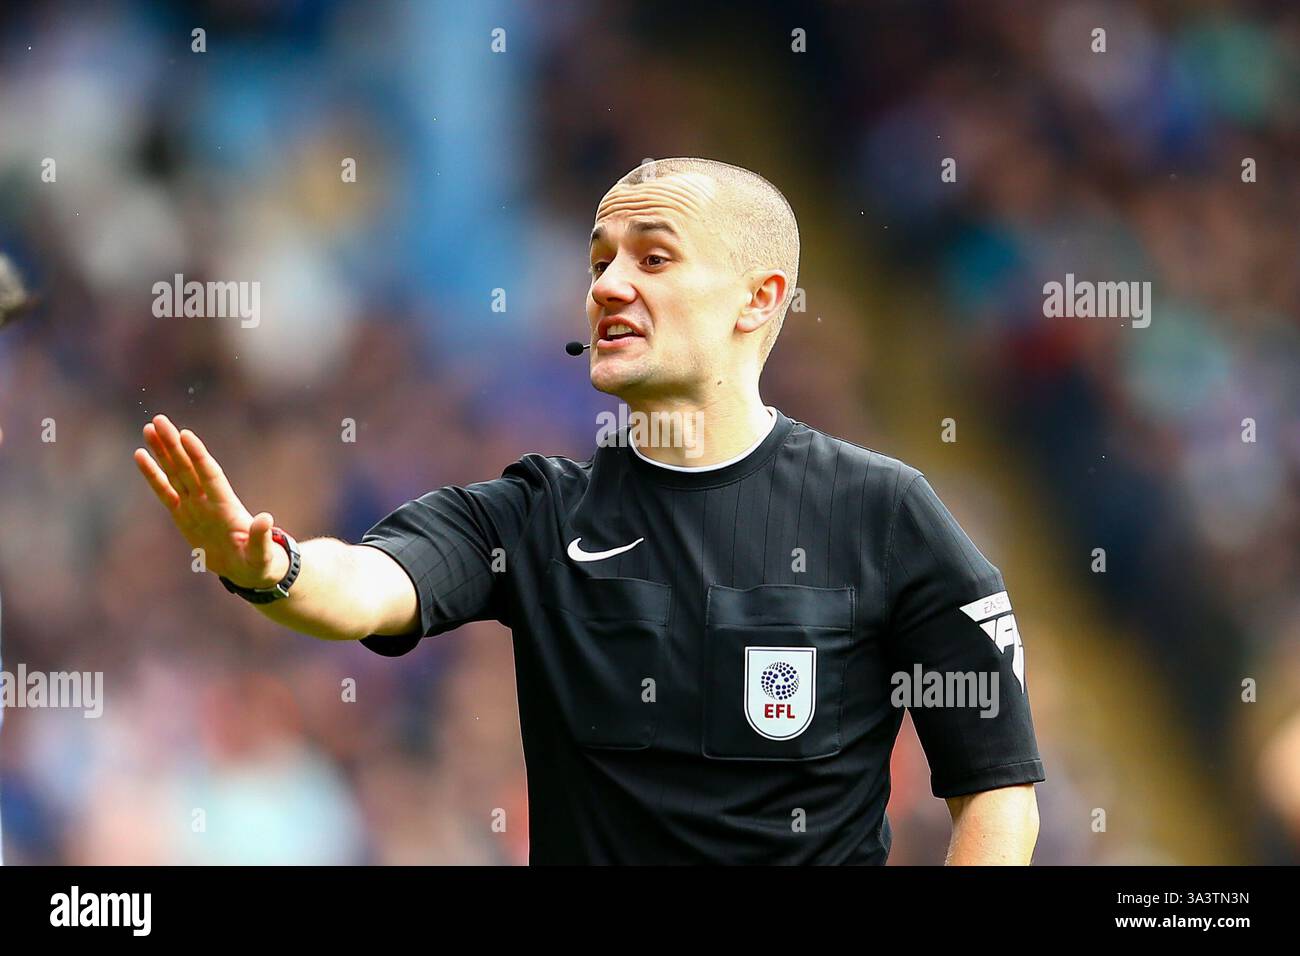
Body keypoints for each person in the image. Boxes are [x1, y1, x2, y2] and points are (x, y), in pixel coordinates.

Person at [134, 158, 1043, 864]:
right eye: (600, 261)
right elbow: (370, 585)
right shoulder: (535, 515)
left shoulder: (884, 516)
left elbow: (997, 790)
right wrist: (271, 568)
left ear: (758, 299)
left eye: (653, 257)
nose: (608, 286)